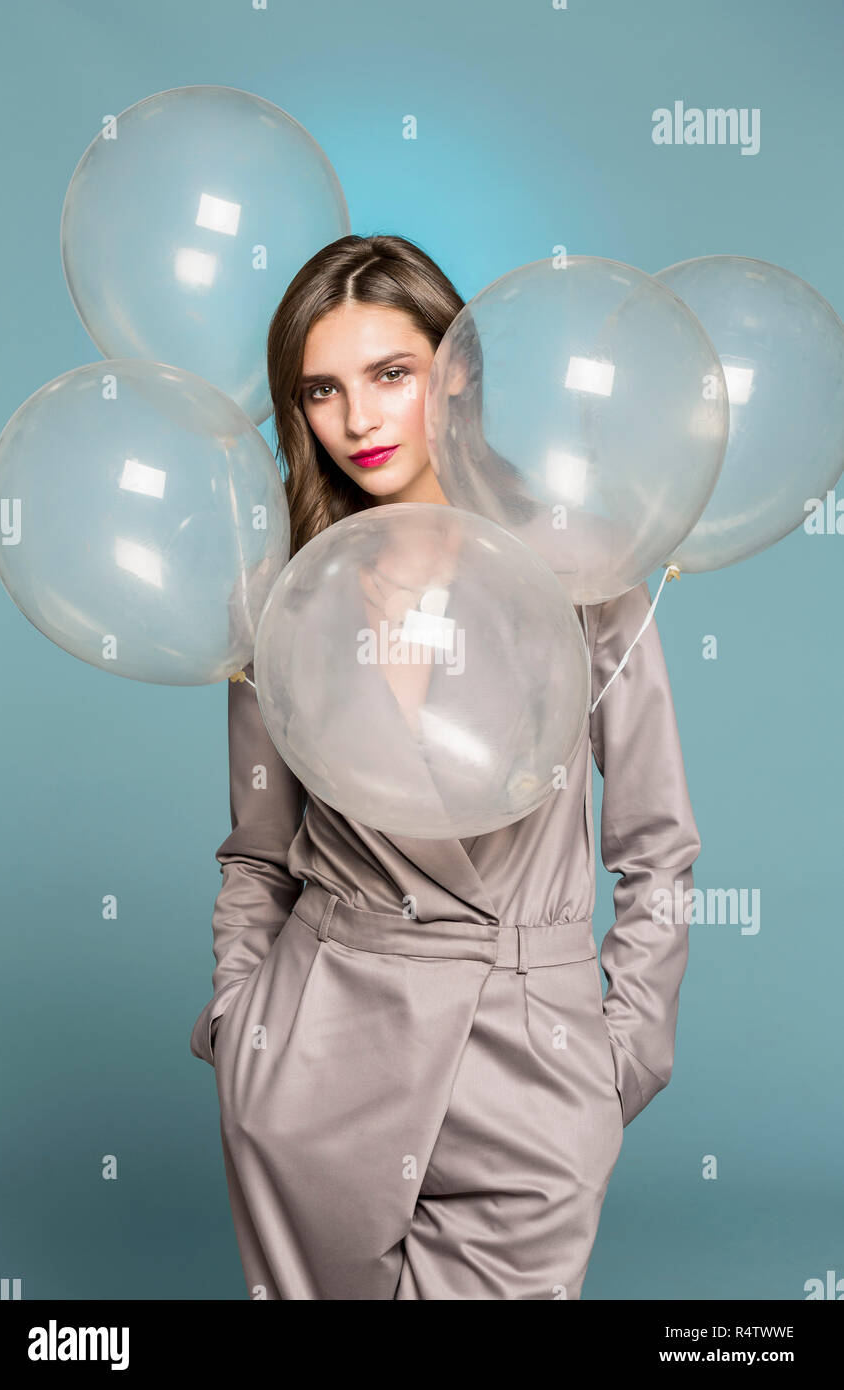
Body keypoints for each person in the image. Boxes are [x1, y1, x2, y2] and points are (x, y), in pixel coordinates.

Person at [189, 234, 702, 1301]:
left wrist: (619, 1056)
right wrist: (244, 1023)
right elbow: (257, 853)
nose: (358, 420)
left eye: (390, 374)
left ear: (457, 369)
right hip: (315, 1055)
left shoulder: (583, 570)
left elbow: (654, 848)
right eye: (321, 390)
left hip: (529, 1055)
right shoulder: (278, 595)